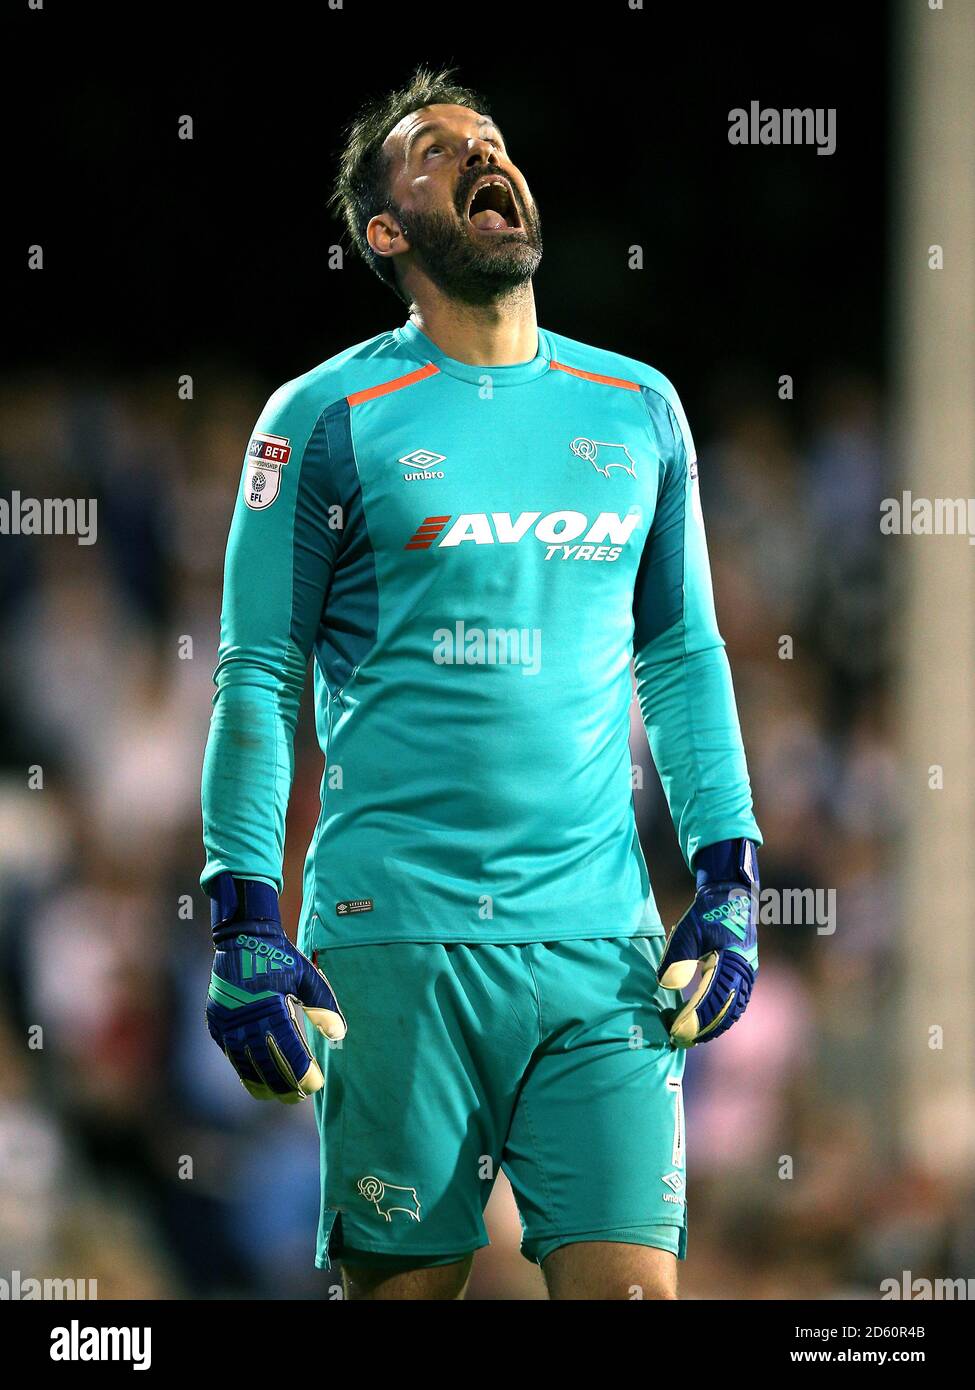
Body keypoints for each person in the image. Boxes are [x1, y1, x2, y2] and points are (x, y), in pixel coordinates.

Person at [201, 66, 761, 1301]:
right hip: (393, 936)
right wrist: (242, 916)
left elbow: (683, 660)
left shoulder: (638, 408)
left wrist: (728, 880)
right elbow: (256, 675)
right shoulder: (324, 416)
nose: (482, 156)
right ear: (387, 232)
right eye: (439, 152)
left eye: (493, 140)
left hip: (598, 947)